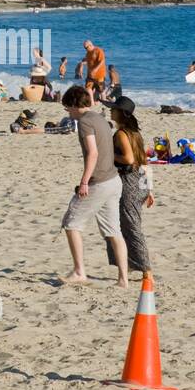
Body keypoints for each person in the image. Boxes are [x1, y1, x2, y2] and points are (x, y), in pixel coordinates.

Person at [58, 85, 128, 287]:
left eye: (67, 108)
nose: (68, 113)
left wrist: (84, 182)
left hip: (99, 183)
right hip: (114, 181)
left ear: (73, 105)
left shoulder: (85, 122)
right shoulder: (99, 119)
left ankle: (79, 272)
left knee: (71, 224)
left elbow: (93, 153)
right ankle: (123, 279)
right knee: (114, 231)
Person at [103, 96, 154, 280]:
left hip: (128, 182)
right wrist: (149, 189)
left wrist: (109, 154)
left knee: (130, 228)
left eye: (113, 109)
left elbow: (129, 160)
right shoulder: (135, 133)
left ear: (121, 113)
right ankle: (128, 266)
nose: (110, 110)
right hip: (140, 181)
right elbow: (144, 161)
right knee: (124, 226)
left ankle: (147, 271)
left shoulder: (122, 134)